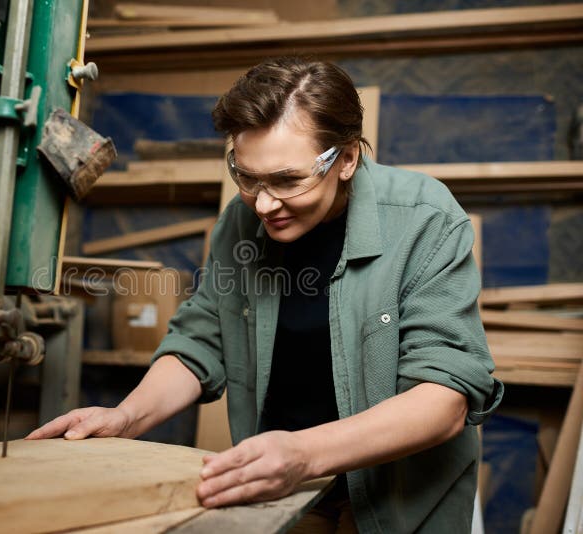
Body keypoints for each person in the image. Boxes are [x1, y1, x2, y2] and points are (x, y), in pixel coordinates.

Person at [27, 56, 503, 533]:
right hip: (289, 490)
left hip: (400, 501)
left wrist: (303, 452)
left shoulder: (425, 219)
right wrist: (126, 416)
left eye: (287, 181)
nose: (265, 203)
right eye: (247, 176)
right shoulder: (241, 220)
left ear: (348, 158)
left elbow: (444, 400)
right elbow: (200, 341)